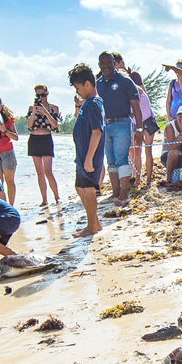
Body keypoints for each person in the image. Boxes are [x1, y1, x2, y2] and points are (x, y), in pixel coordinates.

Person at [95, 51, 139, 204]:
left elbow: (136, 105)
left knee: (122, 159)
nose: (106, 65)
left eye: (109, 62)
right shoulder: (98, 83)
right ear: (99, 65)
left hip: (122, 123)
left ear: (114, 63)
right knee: (111, 161)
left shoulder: (124, 81)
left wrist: (138, 128)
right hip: (105, 125)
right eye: (103, 63)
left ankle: (124, 193)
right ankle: (115, 192)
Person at [69, 64, 105, 237]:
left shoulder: (93, 104)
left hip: (90, 156)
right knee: (79, 186)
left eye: (78, 88)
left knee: (89, 189)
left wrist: (89, 157)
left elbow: (97, 132)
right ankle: (94, 222)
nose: (77, 91)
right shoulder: (87, 104)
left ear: (88, 84)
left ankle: (92, 227)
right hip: (82, 155)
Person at [25, 84, 62, 208]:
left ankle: (57, 197)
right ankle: (44, 199)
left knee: (48, 171)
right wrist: (34, 111)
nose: (41, 97)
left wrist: (46, 112)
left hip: (46, 138)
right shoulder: (32, 108)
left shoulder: (53, 108)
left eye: (43, 94)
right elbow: (29, 125)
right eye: (38, 95)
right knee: (39, 172)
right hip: (34, 139)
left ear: (47, 94)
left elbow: (55, 125)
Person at [129, 70, 158, 189]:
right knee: (137, 151)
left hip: (147, 119)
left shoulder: (137, 89)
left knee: (148, 150)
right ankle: (137, 178)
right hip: (135, 121)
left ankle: (149, 179)